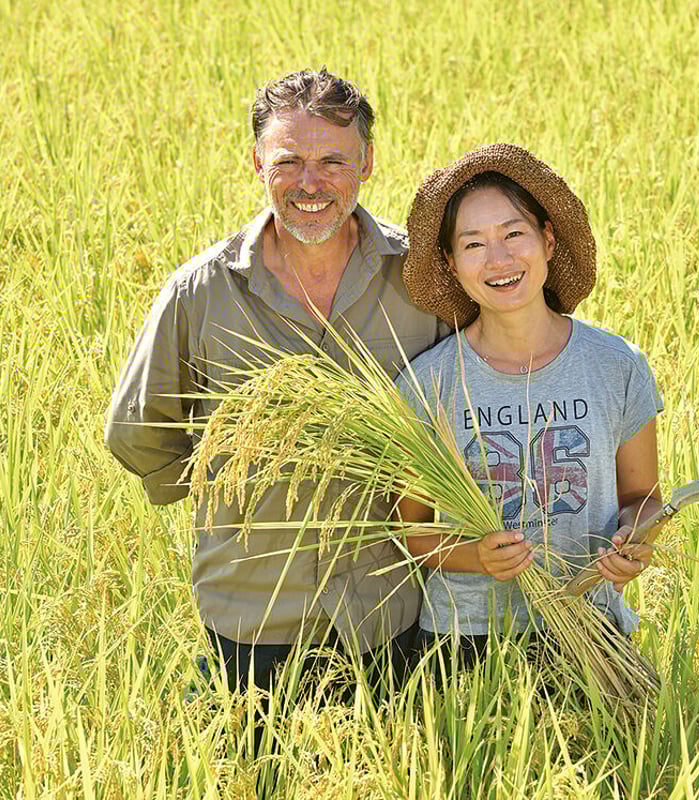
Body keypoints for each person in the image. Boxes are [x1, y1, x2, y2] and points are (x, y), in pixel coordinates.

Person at [105, 68, 447, 701]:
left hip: (391, 609)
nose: (309, 184)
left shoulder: (421, 279)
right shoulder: (201, 292)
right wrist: (231, 481)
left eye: (332, 161)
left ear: (367, 163)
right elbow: (136, 430)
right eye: (288, 161)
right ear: (256, 162)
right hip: (251, 611)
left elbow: (485, 388)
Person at [395, 144, 662, 665]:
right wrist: (476, 557)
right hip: (465, 640)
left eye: (514, 233)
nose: (499, 260)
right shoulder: (430, 383)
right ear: (451, 265)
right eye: (473, 244)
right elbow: (415, 534)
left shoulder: (615, 364)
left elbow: (643, 495)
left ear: (547, 239)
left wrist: (635, 539)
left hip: (593, 628)